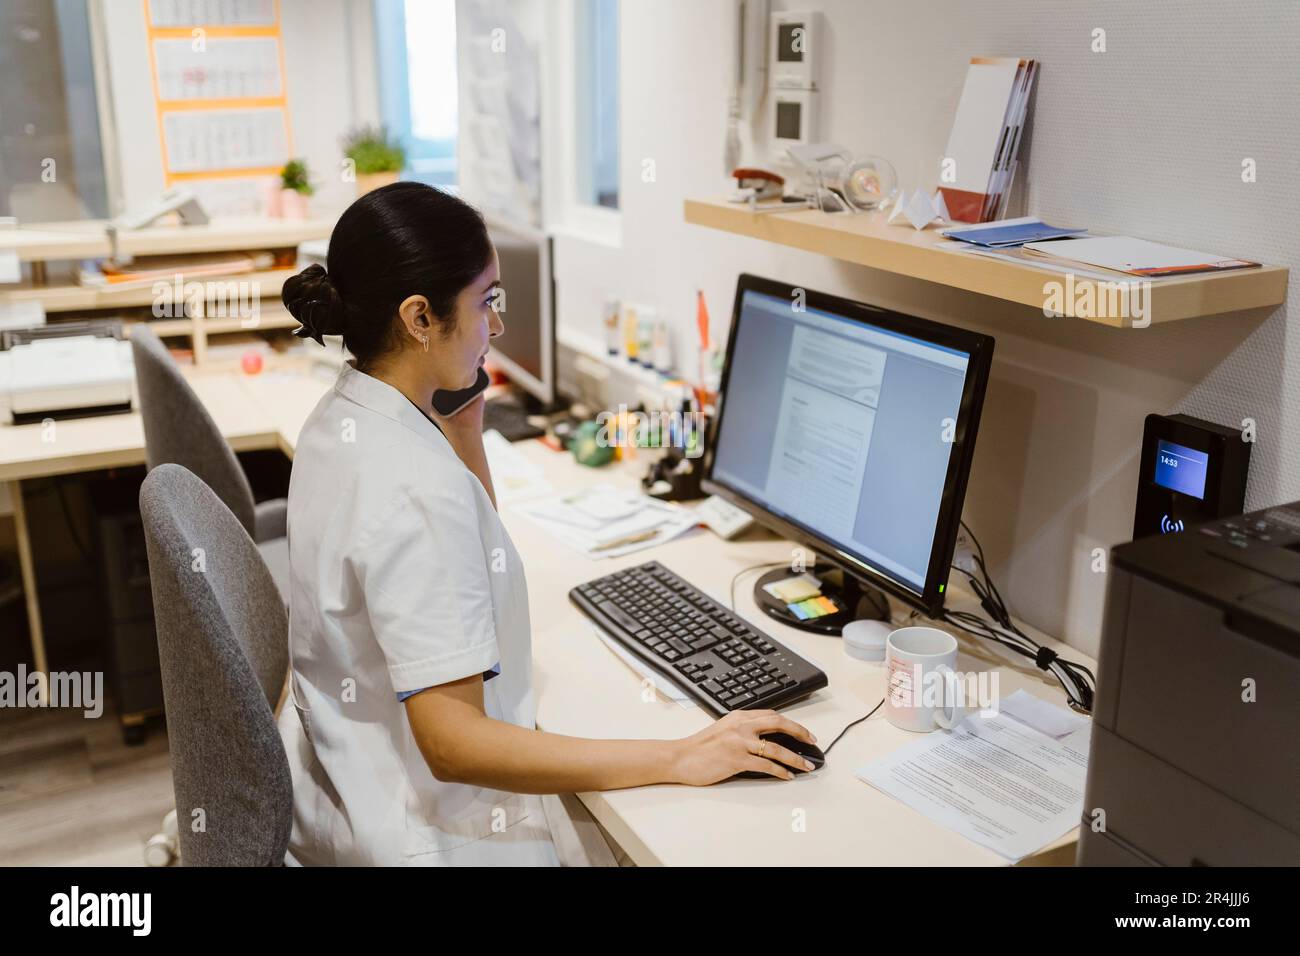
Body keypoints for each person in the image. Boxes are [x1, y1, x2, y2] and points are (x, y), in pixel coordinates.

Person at [278, 182, 816, 866]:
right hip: (431, 836)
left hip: (346, 790)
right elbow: (453, 746)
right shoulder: (414, 487)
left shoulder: (342, 419)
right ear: (419, 318)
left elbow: (464, 562)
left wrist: (466, 432)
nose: (497, 327)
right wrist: (680, 755)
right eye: (487, 303)